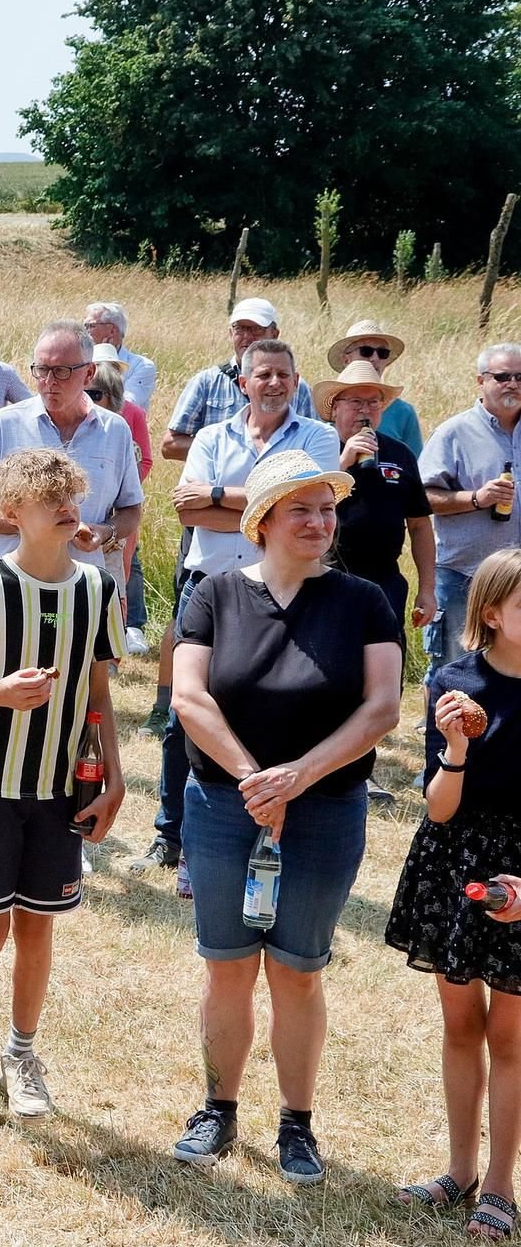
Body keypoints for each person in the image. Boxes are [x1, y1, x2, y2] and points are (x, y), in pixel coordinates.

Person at [168, 450, 401, 1184]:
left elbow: (383, 706)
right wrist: (254, 780)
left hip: (326, 810)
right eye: (301, 508)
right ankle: (218, 1107)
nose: (319, 521)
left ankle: (296, 1123)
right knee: (227, 966)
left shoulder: (363, 599)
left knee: (298, 972)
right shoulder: (211, 593)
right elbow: (188, 697)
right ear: (263, 521)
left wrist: (299, 777)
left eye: (327, 508)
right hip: (222, 807)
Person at [0, 448, 125, 1135]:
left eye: (72, 494)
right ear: (13, 512)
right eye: (51, 498)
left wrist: (116, 774)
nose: (68, 507)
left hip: (58, 788)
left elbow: (99, 691)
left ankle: (23, 1055)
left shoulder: (96, 589)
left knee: (38, 930)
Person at [149, 339, 340, 894]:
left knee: (270, 710)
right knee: (185, 717)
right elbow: (187, 507)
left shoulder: (319, 437)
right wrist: (272, 506)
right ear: (243, 383)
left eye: (284, 375)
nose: (274, 384)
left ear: (297, 381)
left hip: (290, 590)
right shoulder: (211, 436)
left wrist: (223, 499)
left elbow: (318, 506)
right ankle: (173, 832)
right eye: (264, 375)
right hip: (209, 588)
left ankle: (274, 826)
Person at [387, 548, 521, 1239]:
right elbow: (438, 808)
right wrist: (455, 746)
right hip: (456, 861)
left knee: (512, 1032)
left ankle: (501, 1183)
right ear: (493, 613)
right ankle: (460, 1169)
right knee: (462, 1024)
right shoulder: (452, 678)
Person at [0, 321, 143, 577]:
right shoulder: (4, 424)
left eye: (61, 371)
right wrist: (29, 527)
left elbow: (131, 510)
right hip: (14, 585)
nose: (49, 381)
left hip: (84, 585)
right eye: (41, 370)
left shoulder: (115, 430)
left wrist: (104, 532)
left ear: (89, 373)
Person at [421, 344, 521, 674]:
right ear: (481, 381)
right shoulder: (454, 432)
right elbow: (422, 498)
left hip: (519, 580)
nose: (513, 384)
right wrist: (477, 498)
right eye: (502, 376)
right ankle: (441, 727)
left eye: (520, 377)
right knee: (455, 669)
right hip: (464, 576)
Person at [318, 358, 435, 634]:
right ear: (335, 407)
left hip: (385, 582)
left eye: (374, 403)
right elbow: (303, 505)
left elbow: (419, 525)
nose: (365, 411)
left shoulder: (400, 453)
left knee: (385, 664)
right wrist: (343, 462)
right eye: (356, 402)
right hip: (326, 577)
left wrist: (427, 590)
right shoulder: (318, 447)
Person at [161, 297, 316, 462]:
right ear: (230, 333)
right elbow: (169, 446)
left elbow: (313, 443)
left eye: (257, 329)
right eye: (240, 329)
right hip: (217, 486)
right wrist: (227, 450)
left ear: (275, 334)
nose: (247, 337)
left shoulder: (295, 387)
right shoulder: (207, 382)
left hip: (277, 485)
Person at [90, 346, 155, 654]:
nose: (88, 399)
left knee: (119, 576)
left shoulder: (128, 421)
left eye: (96, 394)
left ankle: (111, 648)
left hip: (115, 520)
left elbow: (144, 461)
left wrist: (122, 494)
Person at [326, 319, 422, 455]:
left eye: (382, 353)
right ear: (346, 359)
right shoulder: (326, 403)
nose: (374, 358)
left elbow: (414, 462)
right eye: (366, 351)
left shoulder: (404, 412)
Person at [84, 301, 156, 411]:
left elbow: (125, 404)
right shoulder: (80, 360)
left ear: (112, 330)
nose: (85, 331)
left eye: (91, 326)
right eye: (85, 326)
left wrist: (107, 361)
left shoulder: (142, 366)